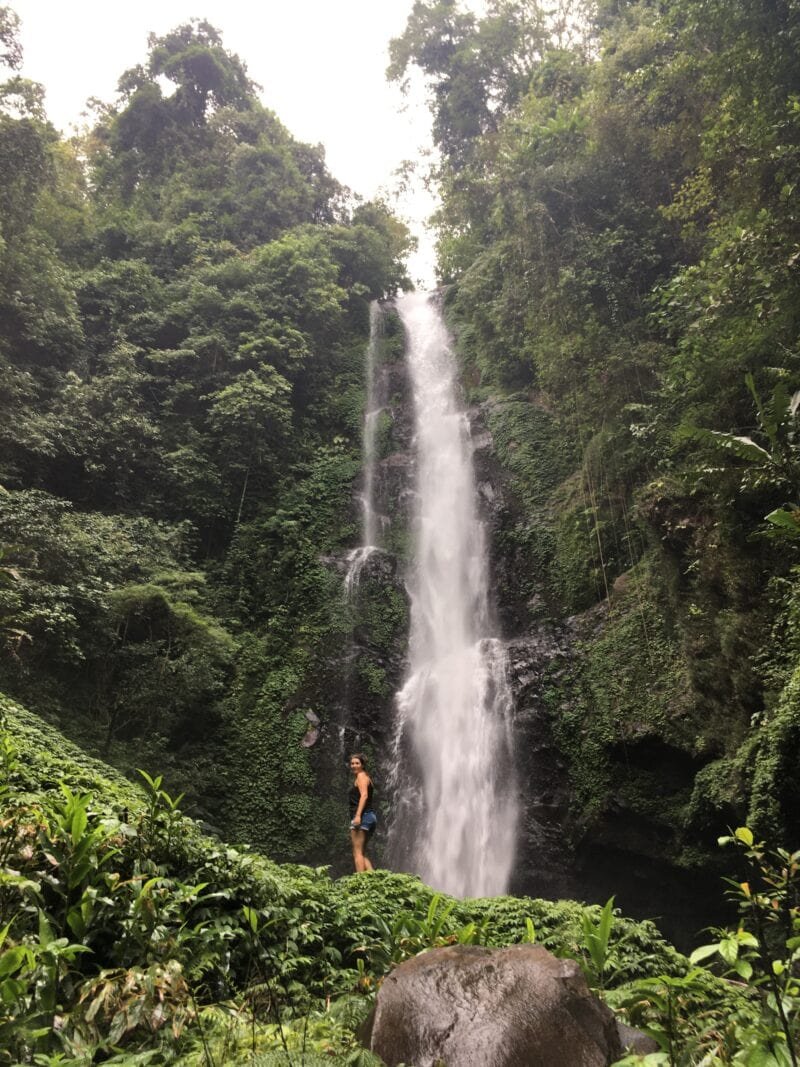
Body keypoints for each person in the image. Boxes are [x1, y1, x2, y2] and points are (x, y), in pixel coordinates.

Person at [348, 752, 376, 872]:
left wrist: (358, 816)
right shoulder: (366, 777)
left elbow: (364, 795)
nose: (354, 765)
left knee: (357, 853)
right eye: (352, 763)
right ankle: (373, 879)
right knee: (362, 853)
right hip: (370, 817)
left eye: (357, 763)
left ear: (362, 765)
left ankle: (360, 882)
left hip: (363, 816)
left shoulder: (361, 776)